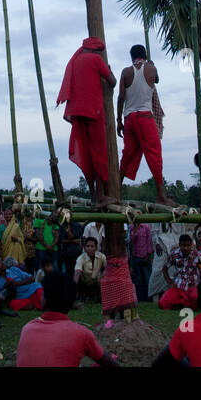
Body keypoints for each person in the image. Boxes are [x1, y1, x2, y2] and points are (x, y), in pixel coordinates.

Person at [56, 36, 117, 206]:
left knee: (85, 152)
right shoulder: (96, 60)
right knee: (99, 153)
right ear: (96, 50)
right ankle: (101, 196)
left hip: (77, 113)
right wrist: (109, 70)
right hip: (93, 112)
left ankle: (92, 194)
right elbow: (112, 82)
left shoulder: (75, 61)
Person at [16, 272, 118, 366]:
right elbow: (110, 363)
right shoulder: (81, 333)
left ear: (44, 300)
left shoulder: (27, 329)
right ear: (71, 303)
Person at [116, 44, 174, 204]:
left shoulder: (126, 72)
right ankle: (161, 195)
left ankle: (117, 191)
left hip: (129, 118)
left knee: (127, 154)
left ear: (132, 56)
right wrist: (153, 65)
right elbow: (157, 80)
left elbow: (121, 97)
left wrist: (118, 120)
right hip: (145, 117)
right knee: (154, 154)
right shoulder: (151, 69)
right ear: (145, 55)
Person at [159, 234, 201, 310]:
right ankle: (184, 304)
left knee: (198, 301)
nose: (186, 248)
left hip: (192, 287)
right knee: (162, 303)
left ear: (191, 245)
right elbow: (164, 269)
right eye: (183, 245)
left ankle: (181, 304)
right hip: (178, 287)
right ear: (179, 245)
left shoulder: (196, 254)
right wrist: (169, 282)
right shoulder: (174, 254)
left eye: (188, 245)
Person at [72, 237, 106, 303]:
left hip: (97, 281)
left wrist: (102, 276)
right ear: (84, 248)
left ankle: (101, 296)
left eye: (92, 246)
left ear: (96, 248)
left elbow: (108, 267)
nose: (89, 248)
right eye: (87, 246)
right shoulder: (81, 258)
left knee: (106, 274)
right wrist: (73, 286)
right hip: (85, 282)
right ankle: (81, 295)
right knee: (77, 277)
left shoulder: (101, 256)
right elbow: (77, 272)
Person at [128, 220, 154, 302]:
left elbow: (149, 241)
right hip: (135, 256)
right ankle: (139, 298)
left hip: (145, 256)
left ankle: (148, 297)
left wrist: (149, 255)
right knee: (137, 279)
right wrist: (135, 229)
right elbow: (131, 240)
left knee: (147, 278)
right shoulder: (131, 227)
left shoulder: (146, 227)